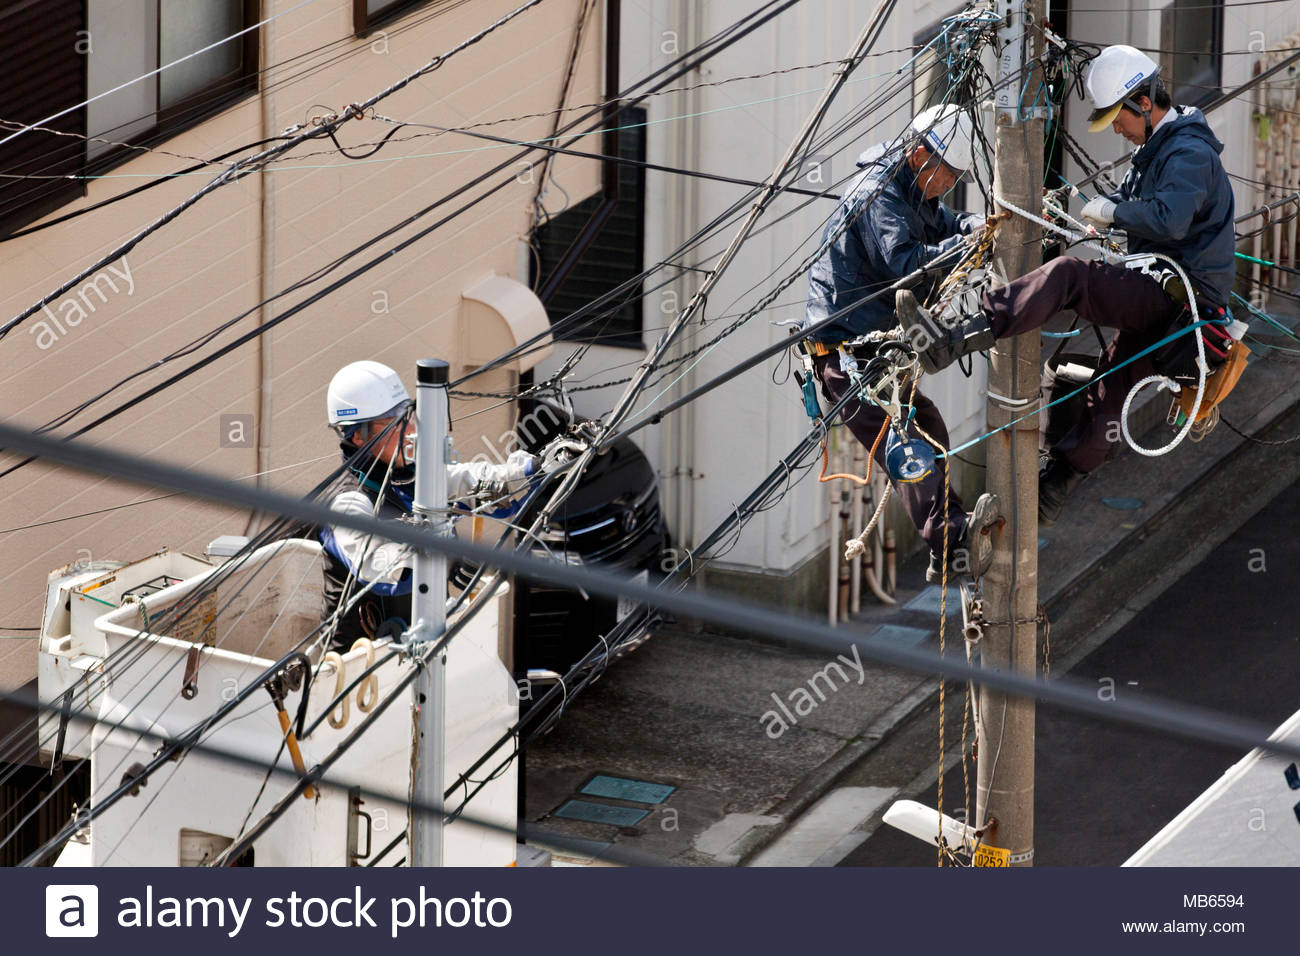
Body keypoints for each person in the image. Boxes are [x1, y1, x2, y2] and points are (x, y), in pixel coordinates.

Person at [897, 45, 1237, 524]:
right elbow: (1142, 201)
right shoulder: (1162, 146)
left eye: (1117, 117)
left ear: (1143, 101)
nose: (1115, 129)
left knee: (1069, 277)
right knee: (1108, 390)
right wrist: (1097, 207)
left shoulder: (1187, 150)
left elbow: (1171, 218)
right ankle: (1054, 488)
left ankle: (957, 336)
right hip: (1175, 306)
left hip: (1176, 298)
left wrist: (1114, 212)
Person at [804, 103, 1002, 582]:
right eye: (947, 175)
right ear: (919, 155)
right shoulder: (878, 196)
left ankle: (949, 537)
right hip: (845, 357)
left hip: (874, 354)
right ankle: (951, 538)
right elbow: (907, 265)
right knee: (906, 446)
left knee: (926, 427)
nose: (949, 186)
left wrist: (971, 227)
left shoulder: (911, 189)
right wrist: (967, 246)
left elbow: (943, 227)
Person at [320, 360, 537, 645]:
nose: (410, 428)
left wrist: (536, 468)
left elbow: (472, 480)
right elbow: (380, 570)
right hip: (359, 669)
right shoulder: (347, 501)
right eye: (394, 421)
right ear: (358, 435)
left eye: (407, 414)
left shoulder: (413, 475)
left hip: (422, 644)